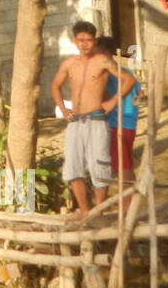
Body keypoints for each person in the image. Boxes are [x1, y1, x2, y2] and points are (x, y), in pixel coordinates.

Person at [50, 21, 123, 218]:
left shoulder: (103, 61)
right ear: (75, 41)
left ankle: (98, 213)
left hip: (97, 121)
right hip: (75, 122)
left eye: (89, 40)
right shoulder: (69, 63)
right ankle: (85, 211)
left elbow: (128, 80)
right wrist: (64, 109)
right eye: (80, 40)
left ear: (94, 41)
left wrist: (113, 102)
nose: (84, 44)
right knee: (73, 168)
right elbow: (55, 85)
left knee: (100, 168)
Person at [95, 37, 139, 206]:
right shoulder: (127, 71)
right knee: (126, 163)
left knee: (123, 167)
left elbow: (102, 97)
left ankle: (128, 207)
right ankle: (131, 203)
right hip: (130, 123)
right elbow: (139, 94)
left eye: (97, 53)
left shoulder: (107, 74)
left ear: (106, 53)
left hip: (116, 123)